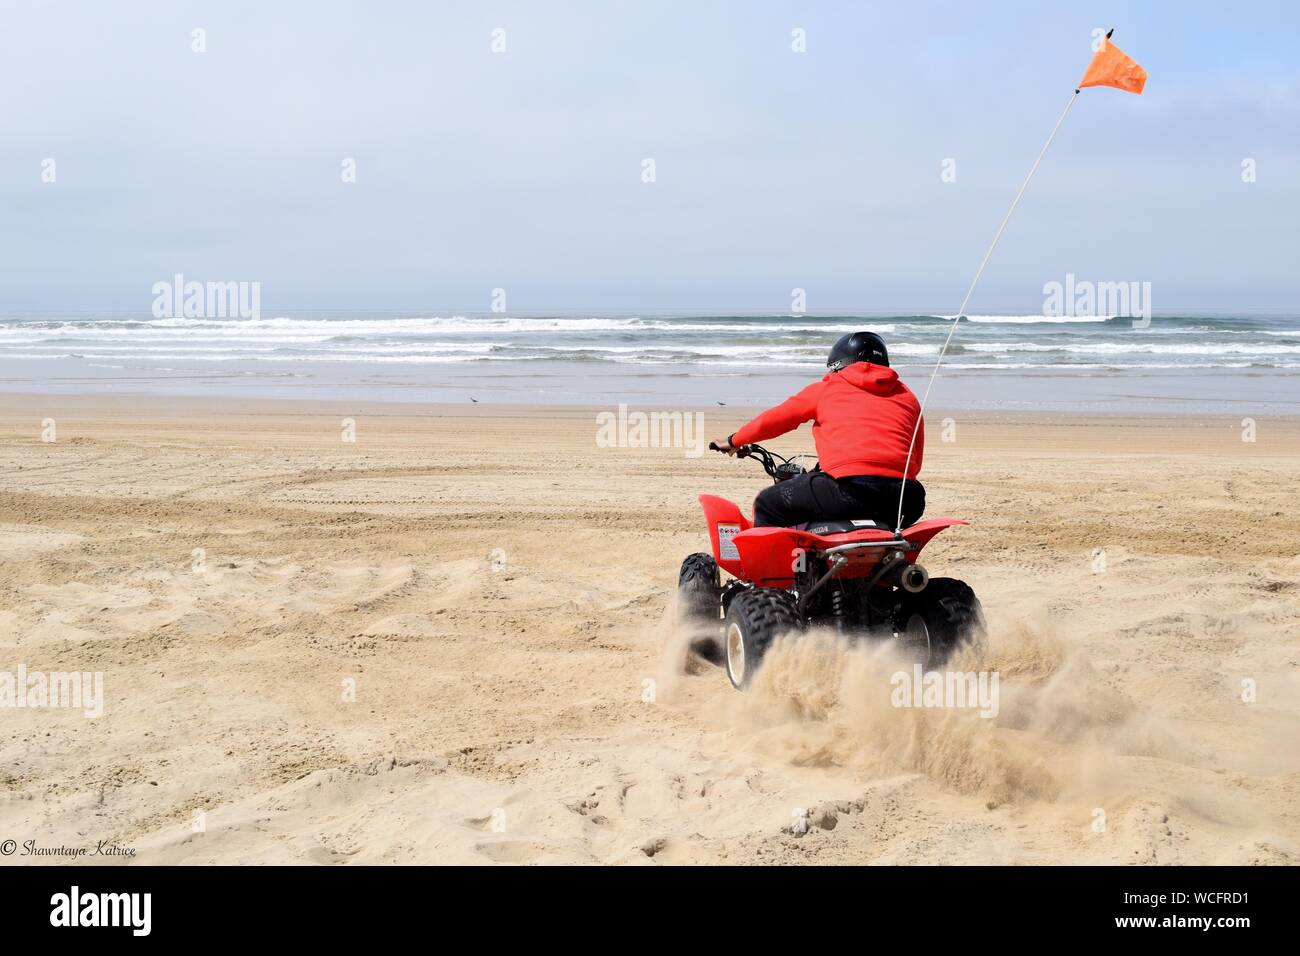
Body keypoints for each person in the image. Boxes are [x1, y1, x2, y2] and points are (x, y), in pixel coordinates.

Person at [712, 331, 926, 530]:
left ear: (838, 364)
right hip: (906, 499)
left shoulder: (828, 387)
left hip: (849, 491)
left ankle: (769, 571)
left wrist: (733, 441)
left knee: (767, 503)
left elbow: (774, 421)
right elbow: (914, 461)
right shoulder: (908, 397)